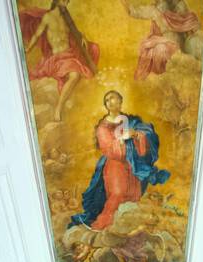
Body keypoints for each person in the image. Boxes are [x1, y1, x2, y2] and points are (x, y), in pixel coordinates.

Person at [70, 90, 169, 232]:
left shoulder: (131, 121)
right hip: (115, 165)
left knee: (132, 195)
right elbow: (109, 149)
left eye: (113, 98)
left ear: (120, 101)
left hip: (132, 164)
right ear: (105, 105)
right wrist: (122, 138)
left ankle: (124, 228)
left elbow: (145, 138)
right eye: (107, 100)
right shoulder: (103, 127)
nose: (110, 101)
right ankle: (102, 225)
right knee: (118, 193)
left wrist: (137, 135)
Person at [20, 1, 99, 123]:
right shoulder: (48, 17)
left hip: (69, 55)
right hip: (57, 58)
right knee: (75, 75)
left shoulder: (67, 19)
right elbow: (36, 35)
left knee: (78, 71)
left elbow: (74, 32)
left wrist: (82, 37)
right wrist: (28, 48)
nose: (66, 1)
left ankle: (60, 105)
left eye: (67, 0)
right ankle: (59, 108)